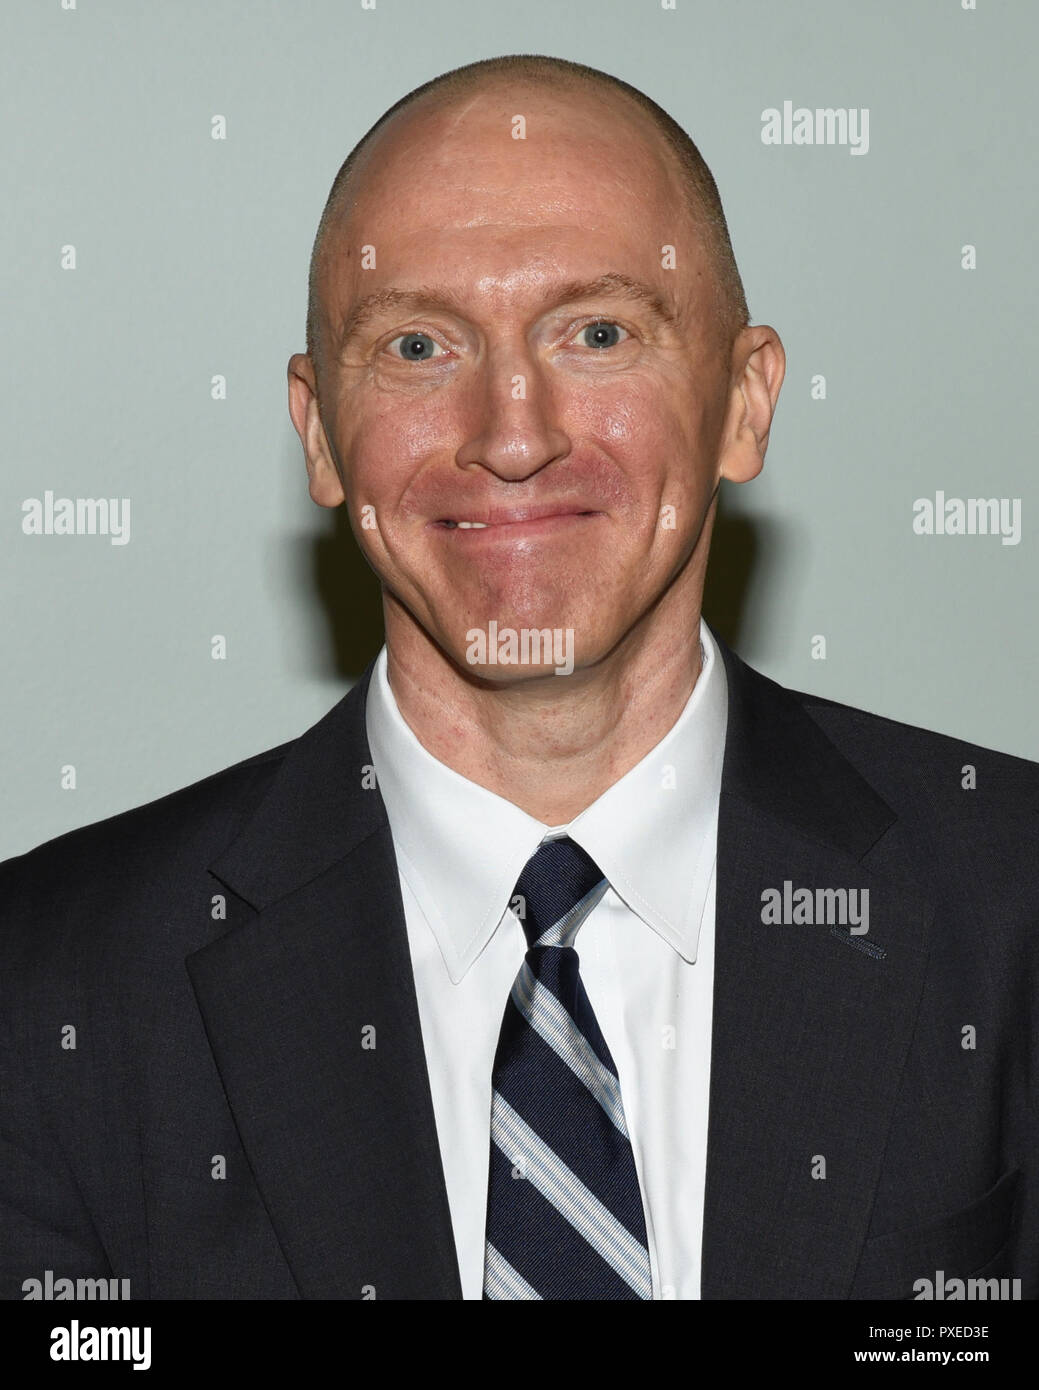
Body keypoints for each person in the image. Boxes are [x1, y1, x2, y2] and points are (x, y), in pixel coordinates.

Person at [1, 54, 1036, 1302]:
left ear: (745, 404)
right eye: (419, 344)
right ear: (321, 431)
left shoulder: (1008, 904)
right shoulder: (45, 989)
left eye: (596, 332)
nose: (511, 432)